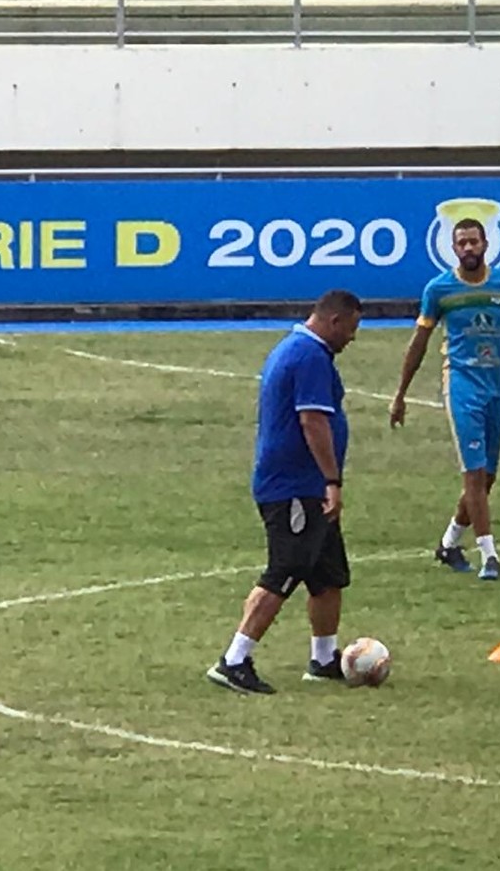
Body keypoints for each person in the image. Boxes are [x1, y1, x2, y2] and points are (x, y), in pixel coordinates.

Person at [207, 289, 363, 695]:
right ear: (333, 321)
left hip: (305, 485)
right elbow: (312, 421)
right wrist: (332, 479)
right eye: (351, 328)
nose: (352, 338)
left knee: (328, 574)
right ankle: (234, 659)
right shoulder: (309, 357)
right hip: (294, 486)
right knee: (286, 568)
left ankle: (324, 657)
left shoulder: (296, 349)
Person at [389, 218, 500, 581]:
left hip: (496, 387)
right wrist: (400, 393)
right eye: (461, 242)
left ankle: (448, 543)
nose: (468, 248)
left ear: (485, 244)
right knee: (474, 475)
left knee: (487, 478)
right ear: (452, 248)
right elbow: (419, 343)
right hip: (461, 387)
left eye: (473, 242)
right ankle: (489, 555)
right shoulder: (439, 290)